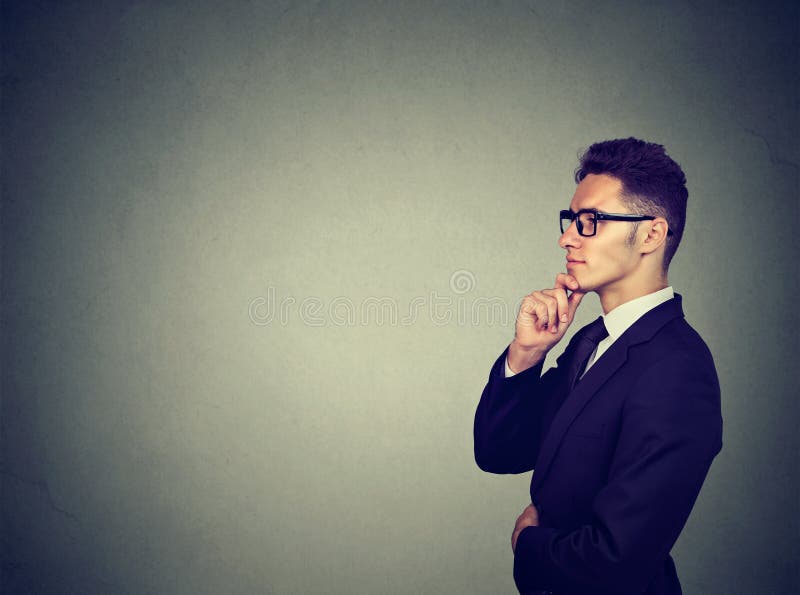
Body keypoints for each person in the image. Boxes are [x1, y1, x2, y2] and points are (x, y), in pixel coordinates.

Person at [473, 138, 723, 595]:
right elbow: (499, 452)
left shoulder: (679, 370)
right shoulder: (590, 341)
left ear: (651, 234)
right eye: (571, 220)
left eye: (591, 222)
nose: (567, 237)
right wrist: (527, 354)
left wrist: (529, 544)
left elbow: (617, 559)